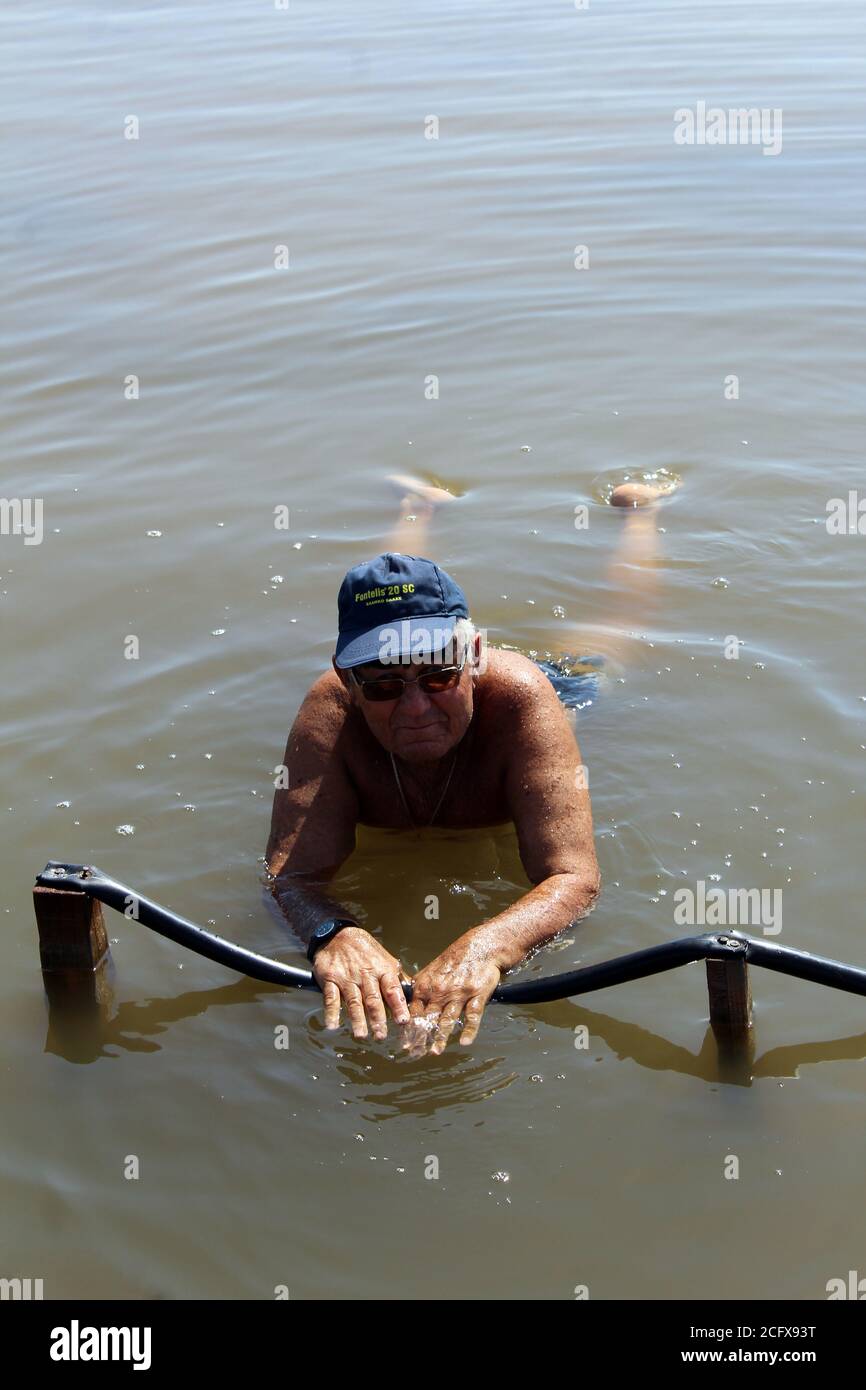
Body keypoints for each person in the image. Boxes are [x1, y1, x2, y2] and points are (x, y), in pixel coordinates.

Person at [266, 473, 676, 1058]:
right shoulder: (329, 708)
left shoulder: (521, 697)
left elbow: (573, 878)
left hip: (561, 692)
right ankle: (419, 504)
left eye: (437, 676)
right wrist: (335, 932)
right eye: (383, 684)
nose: (415, 708)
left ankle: (640, 516)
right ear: (348, 677)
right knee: (392, 590)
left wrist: (489, 944)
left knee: (613, 635)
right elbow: (292, 877)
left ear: (475, 656)